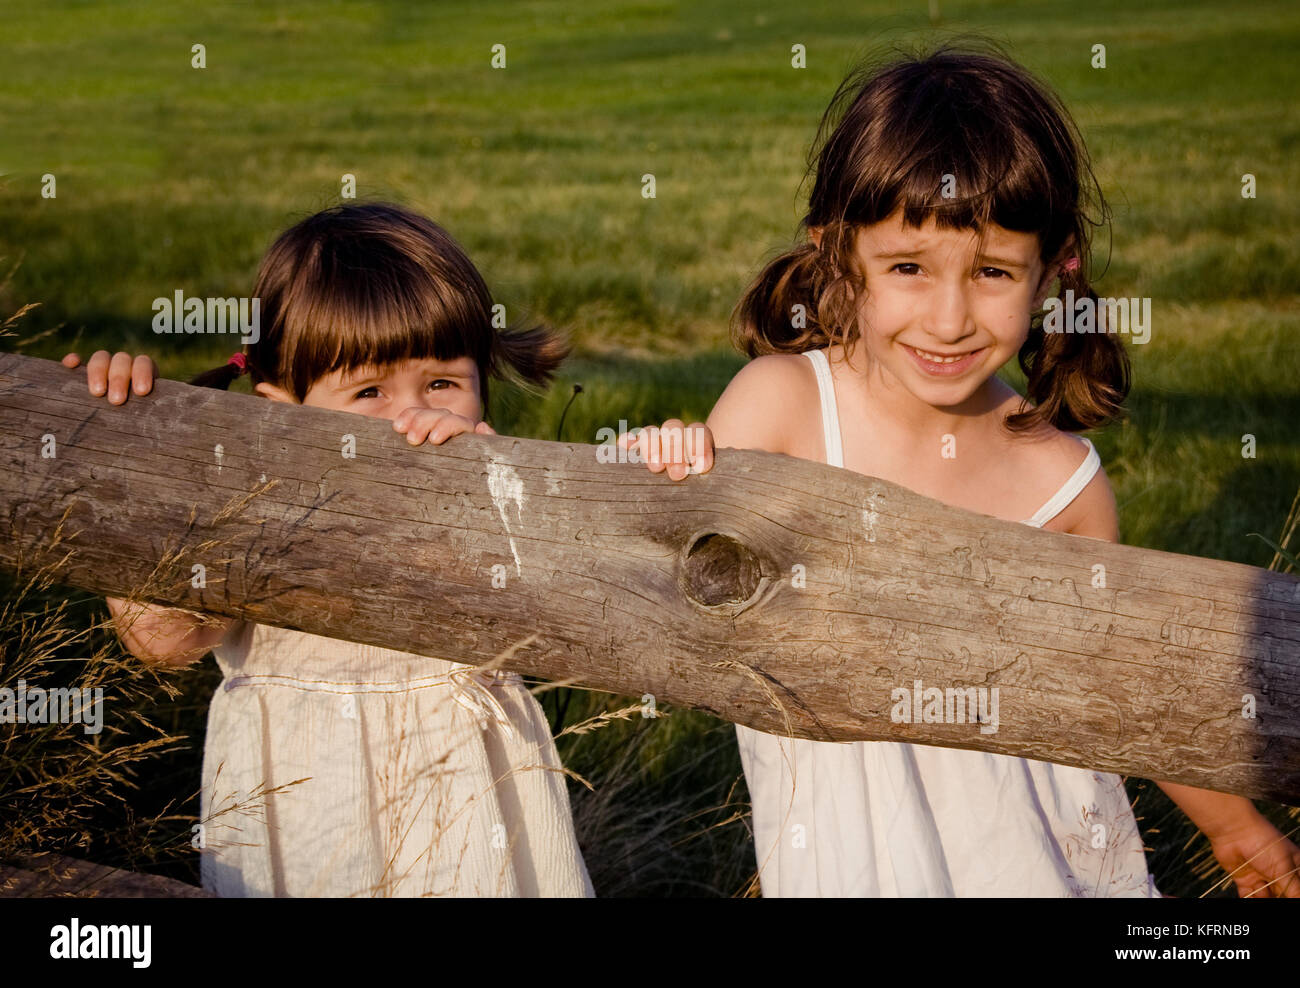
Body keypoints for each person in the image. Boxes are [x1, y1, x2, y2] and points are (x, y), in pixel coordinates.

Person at [621, 47, 1300, 897]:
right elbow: (678, 579)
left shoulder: (1063, 483)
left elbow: (1111, 683)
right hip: (854, 858)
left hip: (1040, 863)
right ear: (839, 253)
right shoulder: (784, 409)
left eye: (991, 274)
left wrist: (1232, 825)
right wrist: (664, 464)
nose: (949, 321)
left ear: (1054, 270)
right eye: (908, 268)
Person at [64, 202, 593, 897]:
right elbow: (161, 638)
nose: (411, 416)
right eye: (368, 390)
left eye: (440, 383)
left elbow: (562, 605)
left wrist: (499, 494)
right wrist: (130, 456)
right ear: (281, 409)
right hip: (310, 800)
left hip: (474, 805)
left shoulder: (492, 486)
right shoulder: (251, 506)